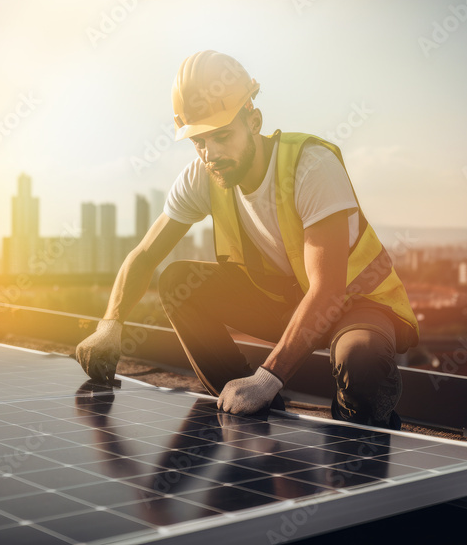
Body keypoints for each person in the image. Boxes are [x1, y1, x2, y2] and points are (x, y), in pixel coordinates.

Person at [76, 50, 419, 429]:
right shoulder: (203, 175)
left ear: (254, 121)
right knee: (177, 283)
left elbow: (327, 291)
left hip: (354, 303)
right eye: (199, 141)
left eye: (222, 135)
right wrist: (110, 324)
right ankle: (251, 412)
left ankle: (357, 433)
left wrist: (268, 375)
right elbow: (144, 255)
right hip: (285, 302)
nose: (211, 153)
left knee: (362, 360)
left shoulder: (311, 165)